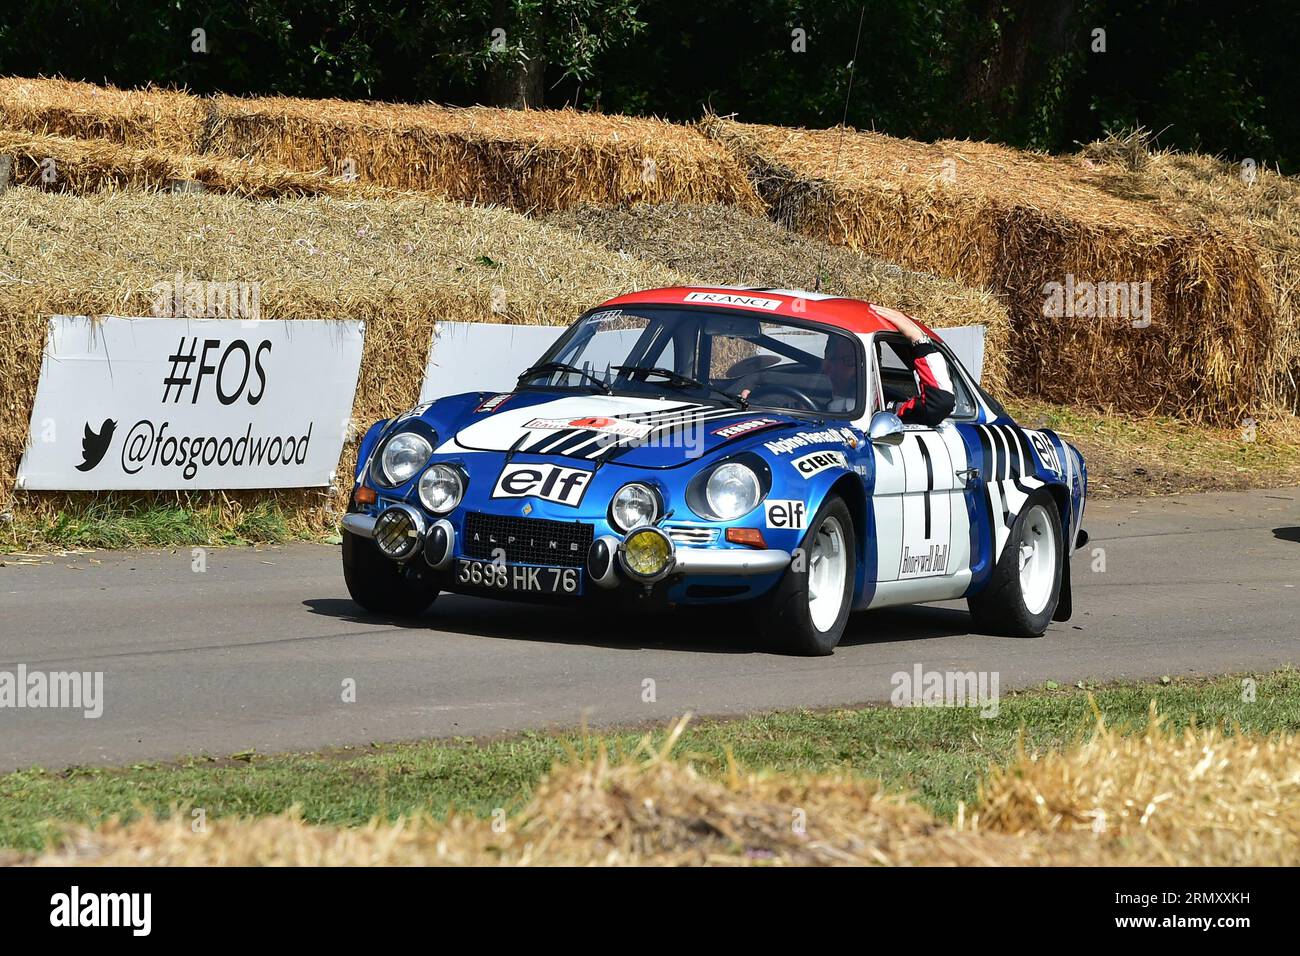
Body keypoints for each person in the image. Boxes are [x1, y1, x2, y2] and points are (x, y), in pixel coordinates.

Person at [872, 305, 956, 427]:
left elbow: (940, 403)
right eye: (845, 360)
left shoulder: (881, 406)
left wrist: (920, 341)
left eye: (874, 362)